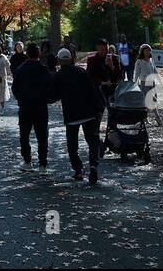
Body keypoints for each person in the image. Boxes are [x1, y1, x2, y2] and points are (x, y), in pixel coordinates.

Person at [47, 47, 106, 185]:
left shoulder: (59, 75)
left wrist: (44, 98)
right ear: (71, 59)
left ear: (60, 61)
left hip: (71, 115)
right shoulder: (81, 71)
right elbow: (93, 90)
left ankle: (78, 170)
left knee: (72, 145)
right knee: (92, 140)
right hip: (88, 112)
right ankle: (93, 165)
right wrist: (97, 107)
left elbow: (53, 96)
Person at [12, 44, 51, 169]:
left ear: (27, 54)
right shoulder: (43, 69)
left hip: (25, 106)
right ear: (38, 54)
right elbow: (50, 86)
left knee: (24, 135)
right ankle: (43, 163)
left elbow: (15, 88)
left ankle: (27, 161)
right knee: (42, 135)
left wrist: (20, 99)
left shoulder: (20, 69)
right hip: (40, 106)